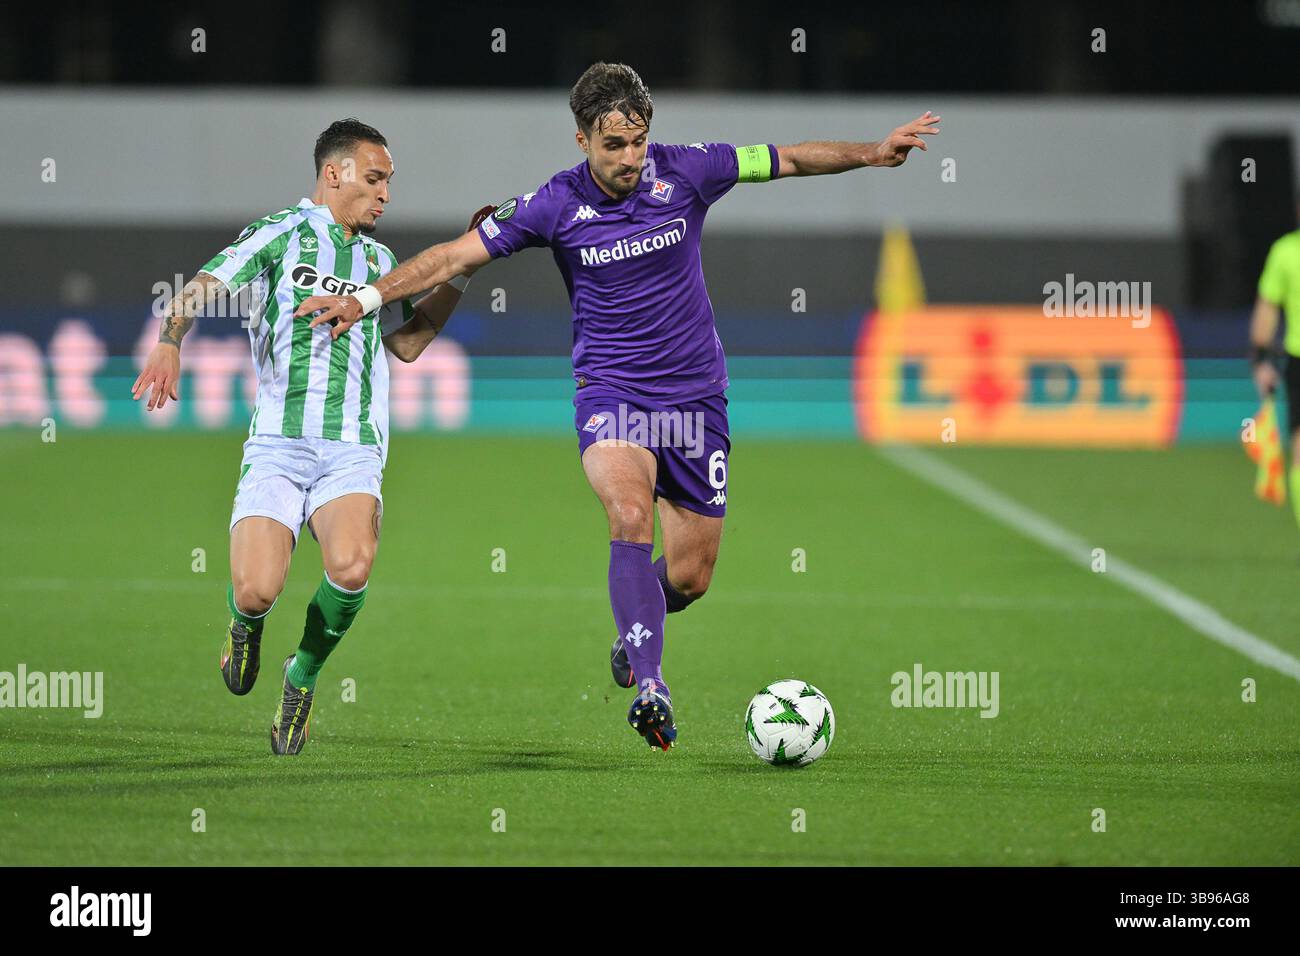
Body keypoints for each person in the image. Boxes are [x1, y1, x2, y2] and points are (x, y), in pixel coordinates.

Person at [296, 65, 940, 750]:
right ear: (582, 141)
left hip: (696, 401)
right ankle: (654, 684)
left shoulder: (690, 170)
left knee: (690, 576)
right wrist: (366, 300)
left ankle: (637, 632)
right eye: (614, 146)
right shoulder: (553, 205)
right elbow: (455, 254)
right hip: (612, 395)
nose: (629, 158)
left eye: (637, 142)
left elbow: (787, 160)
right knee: (629, 515)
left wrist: (873, 152)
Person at [132, 117, 491, 754]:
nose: (385, 194)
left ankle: (302, 678)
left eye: (389, 183)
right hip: (278, 442)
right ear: (335, 173)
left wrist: (459, 272)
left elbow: (407, 344)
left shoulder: (380, 263)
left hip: (352, 447)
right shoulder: (281, 234)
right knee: (256, 588)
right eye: (375, 179)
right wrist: (169, 340)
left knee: (351, 568)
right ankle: (245, 627)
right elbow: (208, 285)